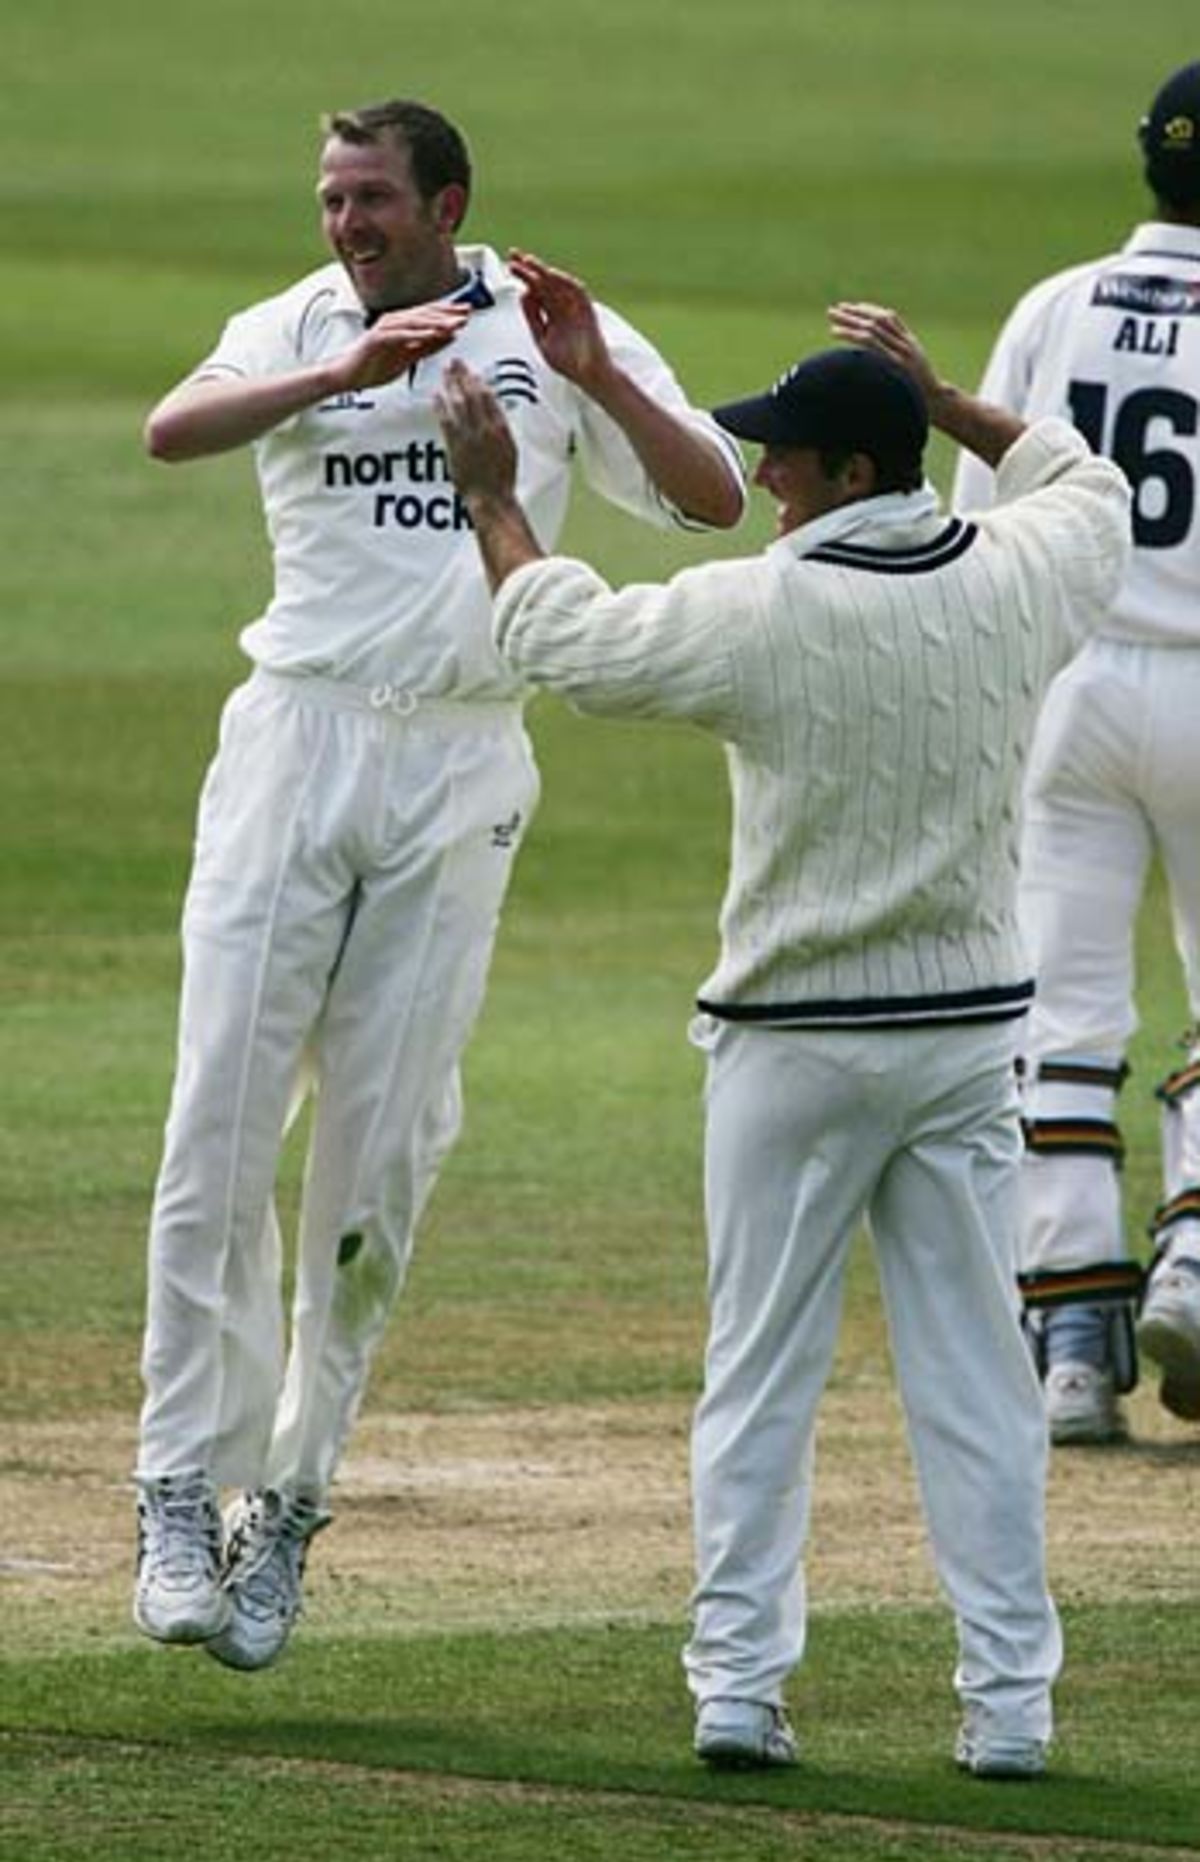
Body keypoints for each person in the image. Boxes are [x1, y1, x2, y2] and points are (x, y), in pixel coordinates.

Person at [435, 306, 1130, 1775]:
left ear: (851, 472)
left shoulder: (763, 607)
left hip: (793, 1041)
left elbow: (565, 640)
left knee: (759, 1375)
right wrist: (950, 398)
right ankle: (1011, 1709)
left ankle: (740, 1690)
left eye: (787, 457)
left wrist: (495, 499)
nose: (762, 478)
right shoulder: (1019, 576)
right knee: (978, 1385)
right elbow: (1088, 483)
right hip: (963, 1042)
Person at [132, 96, 745, 1671]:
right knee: (218, 1120)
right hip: (299, 739)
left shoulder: (546, 326)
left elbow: (716, 498)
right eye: (333, 199)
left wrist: (601, 374)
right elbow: (172, 429)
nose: (348, 225)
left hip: (463, 760)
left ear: (449, 204)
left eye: (375, 200)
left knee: (381, 1159)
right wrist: (335, 374)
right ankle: (176, 1488)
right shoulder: (295, 322)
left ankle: (290, 1503)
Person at [953, 61, 1200, 1445]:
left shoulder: (1056, 307)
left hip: (1071, 684)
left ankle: (1070, 1344)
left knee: (1063, 1010)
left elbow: (981, 518)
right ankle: (1196, 1261)